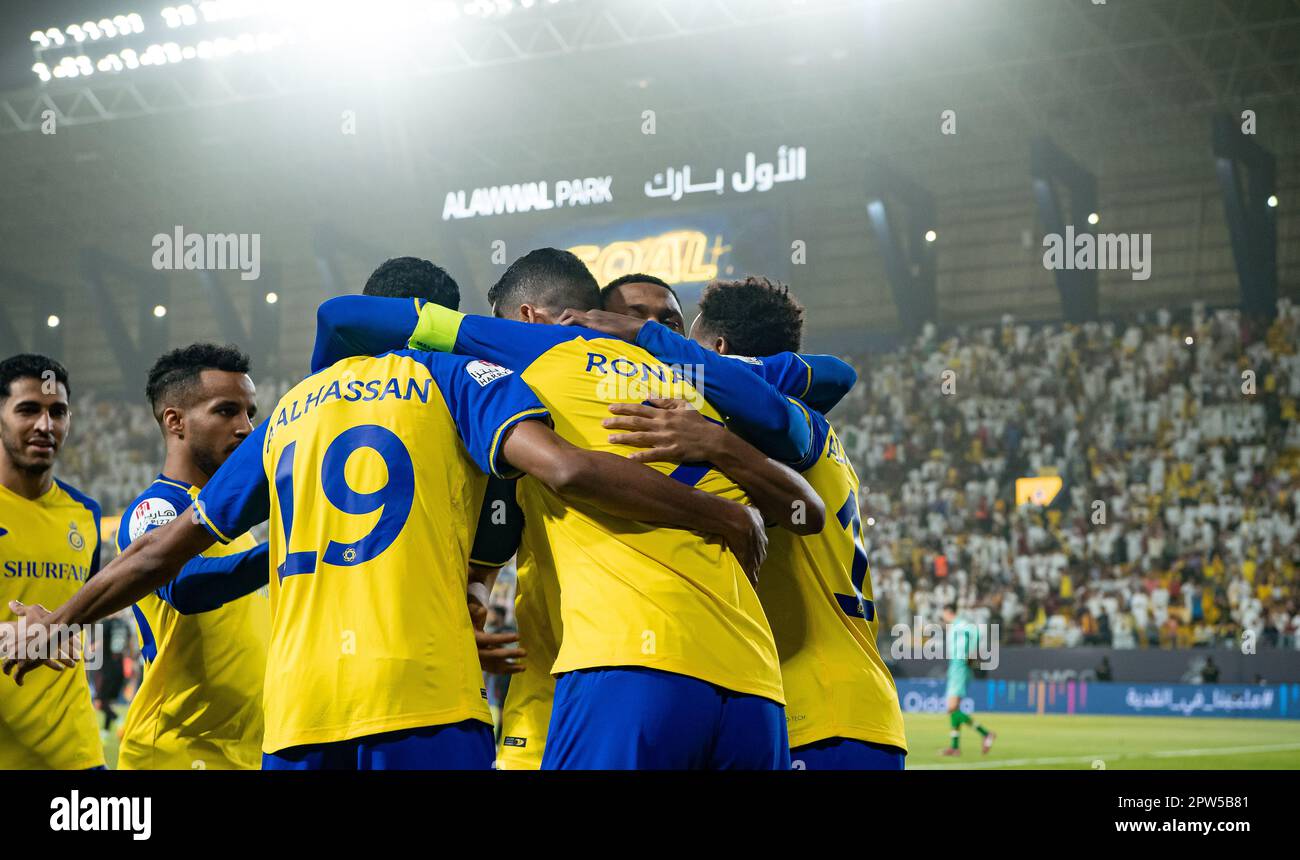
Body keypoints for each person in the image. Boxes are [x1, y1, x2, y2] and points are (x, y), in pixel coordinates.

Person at [4, 311, 766, 771]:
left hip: (301, 713)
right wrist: (721, 513)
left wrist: (58, 619)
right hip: (422, 702)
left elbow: (158, 554)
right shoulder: (462, 378)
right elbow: (564, 470)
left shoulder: (294, 409)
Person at [310, 248, 826, 769]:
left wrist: (322, 404)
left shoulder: (531, 349)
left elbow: (342, 315)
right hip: (754, 681)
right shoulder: (700, 380)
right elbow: (805, 476)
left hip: (627, 660)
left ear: (529, 317)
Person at [565, 275, 908, 769]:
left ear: (718, 351)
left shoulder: (774, 426)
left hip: (816, 708)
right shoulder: (788, 434)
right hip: (842, 703)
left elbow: (828, 381)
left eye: (688, 342)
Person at [112, 344, 271, 769]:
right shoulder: (157, 510)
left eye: (249, 413)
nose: (245, 428)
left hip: (245, 753)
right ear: (175, 420)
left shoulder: (231, 521)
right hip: (176, 754)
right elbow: (187, 585)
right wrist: (288, 549)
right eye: (226, 412)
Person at [0, 353, 105, 769]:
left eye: (57, 412)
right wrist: (10, 637)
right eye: (28, 410)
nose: (45, 426)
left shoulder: (87, 514)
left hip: (76, 754)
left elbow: (86, 611)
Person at [940, 604, 995, 756]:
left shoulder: (960, 623)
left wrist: (971, 653)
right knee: (954, 710)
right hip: (956, 665)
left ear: (948, 612)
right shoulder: (953, 626)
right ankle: (955, 747)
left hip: (960, 665)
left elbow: (976, 632)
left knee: (951, 708)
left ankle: (986, 733)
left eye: (943, 613)